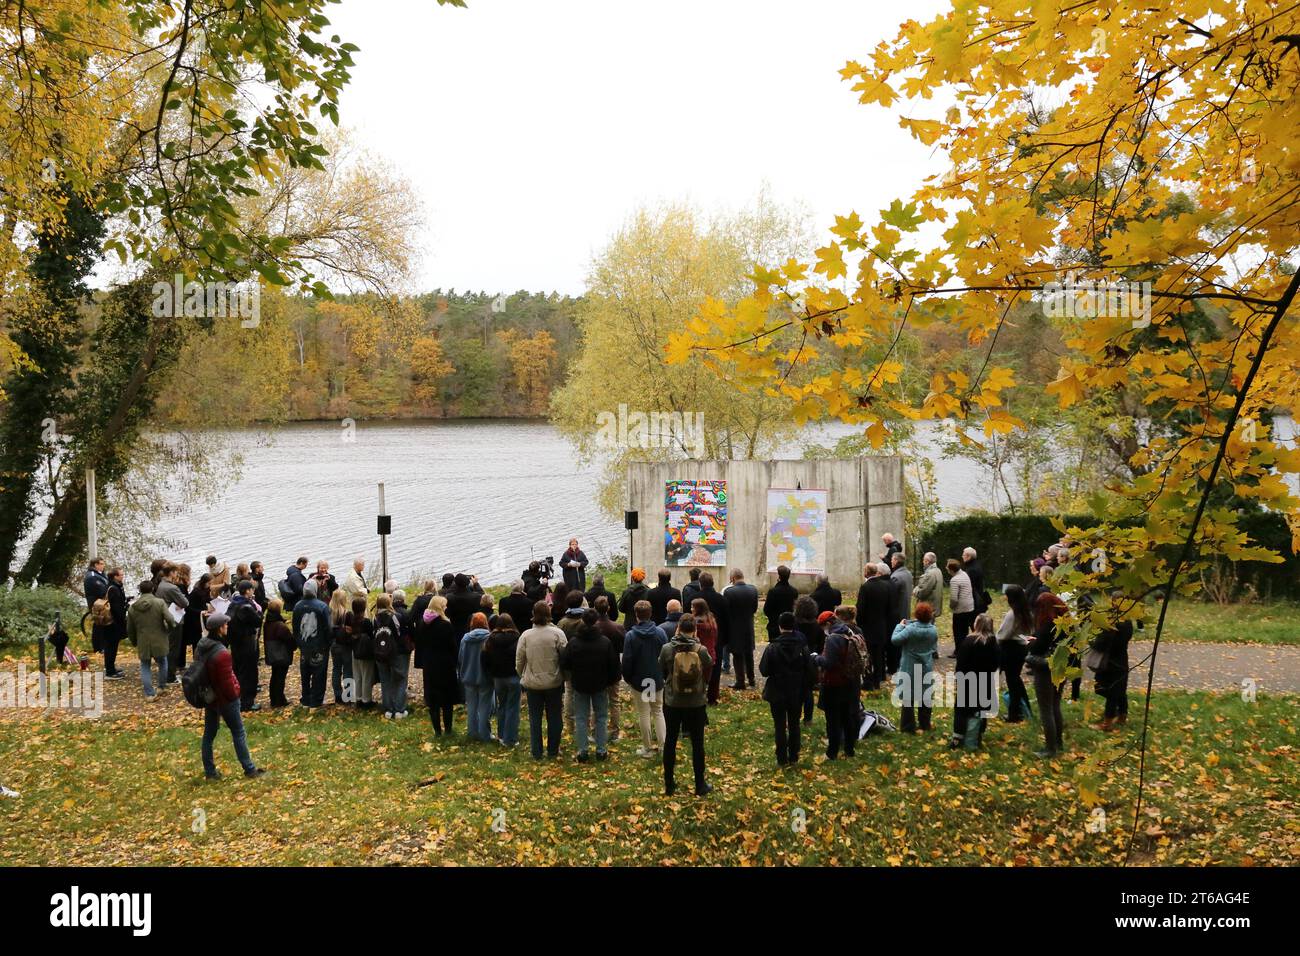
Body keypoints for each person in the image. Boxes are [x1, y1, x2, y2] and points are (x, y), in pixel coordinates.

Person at [195, 612, 264, 779]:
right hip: (226, 700)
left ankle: (210, 771)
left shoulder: (201, 646)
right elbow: (227, 684)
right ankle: (249, 769)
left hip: (210, 698)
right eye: (225, 624)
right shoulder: (222, 654)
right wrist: (236, 693)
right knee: (238, 731)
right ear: (219, 629)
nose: (227, 626)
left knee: (209, 734)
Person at [658, 615, 713, 796]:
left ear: (678, 628)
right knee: (698, 743)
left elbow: (661, 669)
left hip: (673, 701)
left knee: (671, 742)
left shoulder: (667, 649)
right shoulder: (701, 650)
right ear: (694, 630)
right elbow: (708, 666)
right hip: (696, 702)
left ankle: (669, 785)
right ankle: (699, 784)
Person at [560, 609, 619, 762]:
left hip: (580, 684)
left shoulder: (574, 642)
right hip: (600, 684)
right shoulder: (604, 642)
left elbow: (565, 662)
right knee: (600, 717)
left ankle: (582, 750)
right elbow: (613, 664)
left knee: (581, 717)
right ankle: (601, 750)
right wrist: (611, 681)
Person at [759, 611, 815, 766]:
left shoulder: (773, 647)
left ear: (779, 626)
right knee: (794, 723)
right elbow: (810, 669)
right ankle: (794, 755)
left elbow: (764, 670)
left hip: (777, 690)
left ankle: (781, 757)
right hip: (796, 690)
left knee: (779, 725)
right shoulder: (802, 647)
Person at [517, 601, 567, 760]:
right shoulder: (557, 634)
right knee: (554, 717)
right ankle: (553, 750)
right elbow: (565, 657)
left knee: (535, 718)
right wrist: (564, 675)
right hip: (554, 681)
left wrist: (522, 675)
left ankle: (536, 751)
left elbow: (519, 660)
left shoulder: (526, 635)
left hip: (533, 682)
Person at [1027, 569, 1070, 757]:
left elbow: (1036, 648)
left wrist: (1030, 642)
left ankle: (1050, 748)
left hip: (1045, 670)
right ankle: (1058, 742)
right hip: (1061, 668)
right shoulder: (1065, 624)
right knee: (1055, 706)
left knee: (1046, 709)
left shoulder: (1047, 627)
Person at [814, 607, 865, 759]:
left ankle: (832, 752)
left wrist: (815, 658)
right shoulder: (851, 632)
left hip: (835, 684)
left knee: (833, 720)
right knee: (848, 717)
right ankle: (850, 750)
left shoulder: (833, 638)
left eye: (823, 626)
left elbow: (828, 663)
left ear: (829, 623)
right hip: (851, 681)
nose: (823, 630)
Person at [622, 599, 668, 757]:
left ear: (636, 615)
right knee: (658, 711)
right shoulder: (660, 633)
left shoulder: (631, 636)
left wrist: (629, 678)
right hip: (656, 678)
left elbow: (627, 660)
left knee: (644, 713)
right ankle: (663, 747)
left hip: (639, 680)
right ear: (650, 613)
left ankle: (647, 747)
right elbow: (666, 655)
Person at [952, 612, 999, 750]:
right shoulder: (993, 643)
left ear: (976, 625)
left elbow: (961, 663)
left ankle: (958, 736)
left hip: (967, 682)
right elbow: (996, 664)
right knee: (980, 710)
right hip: (985, 682)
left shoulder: (968, 642)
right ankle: (977, 735)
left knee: (961, 711)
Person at [892, 602, 938, 734]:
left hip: (909, 667)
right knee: (925, 696)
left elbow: (895, 640)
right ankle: (924, 723)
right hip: (926, 667)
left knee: (908, 697)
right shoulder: (933, 630)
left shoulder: (910, 629)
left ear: (916, 615)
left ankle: (908, 726)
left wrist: (900, 626)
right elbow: (934, 648)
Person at [415, 595, 458, 736]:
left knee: (433, 700)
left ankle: (437, 731)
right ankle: (448, 729)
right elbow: (452, 647)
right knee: (446, 700)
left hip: (429, 665)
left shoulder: (422, 623)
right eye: (444, 606)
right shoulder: (446, 625)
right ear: (440, 607)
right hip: (444, 665)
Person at [127, 579, 171, 701]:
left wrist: (134, 641)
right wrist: (168, 630)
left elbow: (130, 628)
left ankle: (149, 694)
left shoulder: (132, 608)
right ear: (152, 589)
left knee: (145, 665)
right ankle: (161, 687)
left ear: (140, 591)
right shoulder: (160, 603)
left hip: (143, 640)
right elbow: (170, 619)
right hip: (159, 638)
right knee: (162, 662)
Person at [482, 612, 522, 746]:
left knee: (502, 706)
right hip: (513, 675)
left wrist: (490, 673)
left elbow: (485, 658)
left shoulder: (491, 639)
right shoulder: (517, 637)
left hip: (498, 677)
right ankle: (510, 738)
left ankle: (501, 734)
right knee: (513, 707)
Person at [997, 585, 1035, 723]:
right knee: (1015, 680)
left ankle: (1014, 713)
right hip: (1021, 649)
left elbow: (1003, 635)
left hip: (1009, 649)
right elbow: (1029, 634)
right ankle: (1021, 708)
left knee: (1012, 681)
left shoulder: (1012, 614)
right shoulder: (1027, 612)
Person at [292, 579, 332, 708]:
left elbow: (295, 626)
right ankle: (316, 700)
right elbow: (328, 627)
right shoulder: (322, 606)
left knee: (305, 672)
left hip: (304, 645)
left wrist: (299, 642)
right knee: (319, 673)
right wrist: (328, 643)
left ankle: (306, 698)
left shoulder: (297, 606)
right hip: (319, 645)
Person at [1091, 612, 1134, 731]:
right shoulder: (1128, 621)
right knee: (1120, 690)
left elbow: (1101, 643)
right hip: (1122, 660)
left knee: (1109, 691)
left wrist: (1092, 642)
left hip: (1109, 663)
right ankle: (1122, 715)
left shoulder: (1112, 623)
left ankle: (1107, 723)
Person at [591, 597, 625, 742]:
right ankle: (615, 730)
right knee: (614, 701)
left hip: (596, 669)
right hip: (613, 668)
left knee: (596, 701)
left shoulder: (591, 628)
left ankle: (595, 730)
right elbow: (623, 647)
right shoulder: (617, 628)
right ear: (609, 608)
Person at [227, 579, 264, 711]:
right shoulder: (247, 607)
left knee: (238, 671)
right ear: (248, 591)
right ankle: (247, 702)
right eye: (252, 589)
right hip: (247, 642)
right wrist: (258, 609)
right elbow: (258, 621)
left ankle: (237, 698)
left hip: (235, 643)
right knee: (249, 673)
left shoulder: (232, 605)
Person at [856, 563, 894, 688]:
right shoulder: (885, 586)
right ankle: (878, 679)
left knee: (868, 655)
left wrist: (859, 623)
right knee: (879, 654)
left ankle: (868, 681)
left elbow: (860, 609)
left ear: (866, 572)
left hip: (868, 626)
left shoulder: (865, 587)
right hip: (881, 625)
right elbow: (890, 607)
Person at [458, 612, 494, 741]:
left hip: (468, 675)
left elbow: (461, 658)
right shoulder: (489, 638)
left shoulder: (465, 638)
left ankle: (472, 733)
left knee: (472, 707)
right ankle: (485, 734)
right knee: (485, 707)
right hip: (484, 676)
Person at [374, 593, 410, 719]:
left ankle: (388, 709)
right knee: (400, 679)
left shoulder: (375, 617)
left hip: (380, 652)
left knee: (385, 681)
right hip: (395, 652)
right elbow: (399, 633)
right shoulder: (395, 616)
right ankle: (399, 709)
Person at [723, 568, 759, 690]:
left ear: (732, 579)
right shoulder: (753, 590)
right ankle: (752, 679)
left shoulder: (729, 592)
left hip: (734, 628)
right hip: (748, 626)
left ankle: (740, 681)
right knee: (749, 653)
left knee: (737, 655)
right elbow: (754, 609)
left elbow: (726, 611)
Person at [156, 562, 190, 683]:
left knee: (168, 646)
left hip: (166, 618)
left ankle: (166, 673)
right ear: (171, 573)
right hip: (174, 620)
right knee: (173, 648)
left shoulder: (161, 584)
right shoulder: (172, 588)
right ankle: (170, 676)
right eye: (175, 572)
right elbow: (185, 602)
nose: (177, 574)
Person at [793, 596, 822, 722]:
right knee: (808, 690)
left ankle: (796, 715)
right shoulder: (816, 625)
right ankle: (808, 718)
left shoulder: (795, 624)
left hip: (796, 658)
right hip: (811, 659)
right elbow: (821, 643)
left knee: (796, 690)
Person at [262, 598, 295, 708]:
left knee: (275, 677)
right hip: (281, 655)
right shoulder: (280, 626)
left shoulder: (268, 623)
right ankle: (278, 700)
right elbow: (289, 640)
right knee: (280, 678)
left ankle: (275, 699)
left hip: (272, 654)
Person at [96, 567, 128, 679]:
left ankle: (111, 667)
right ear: (115, 576)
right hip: (112, 623)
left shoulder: (110, 586)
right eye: (121, 575)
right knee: (111, 646)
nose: (122, 577)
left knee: (111, 645)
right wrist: (123, 620)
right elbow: (116, 608)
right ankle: (110, 671)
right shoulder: (114, 589)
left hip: (109, 622)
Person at [689, 598, 721, 705]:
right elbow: (715, 638)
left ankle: (698, 701)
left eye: (693, 607)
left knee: (697, 681)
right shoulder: (711, 620)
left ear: (698, 608)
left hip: (697, 654)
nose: (691, 609)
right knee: (706, 680)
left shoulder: (695, 623)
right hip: (710, 653)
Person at [348, 595, 377, 710]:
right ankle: (366, 700)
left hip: (354, 651)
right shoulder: (366, 622)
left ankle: (358, 698)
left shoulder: (350, 620)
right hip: (365, 652)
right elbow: (372, 635)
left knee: (357, 675)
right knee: (367, 676)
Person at [888, 553, 914, 670]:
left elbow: (891, 596)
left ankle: (896, 662)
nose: (891, 561)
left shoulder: (896, 576)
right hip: (905, 609)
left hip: (897, 611)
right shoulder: (907, 573)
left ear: (897, 561)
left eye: (893, 560)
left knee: (897, 637)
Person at [327, 588, 353, 705]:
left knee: (336, 669)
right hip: (345, 644)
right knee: (348, 670)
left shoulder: (329, 612)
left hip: (333, 644)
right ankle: (348, 695)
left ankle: (337, 695)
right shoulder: (346, 613)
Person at [947, 558, 975, 658]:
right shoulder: (964, 574)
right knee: (964, 631)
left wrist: (951, 607)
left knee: (958, 632)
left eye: (947, 567)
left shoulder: (954, 580)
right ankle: (965, 650)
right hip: (969, 608)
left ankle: (959, 652)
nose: (946, 569)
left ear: (951, 569)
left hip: (960, 610)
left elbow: (954, 599)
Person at [762, 565, 798, 642]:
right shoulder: (794, 591)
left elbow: (766, 610)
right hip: (790, 625)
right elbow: (794, 608)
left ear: (779, 577)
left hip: (775, 626)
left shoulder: (773, 592)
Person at [446, 573, 483, 641]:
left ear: (455, 584)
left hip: (456, 629)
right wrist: (476, 584)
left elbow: (447, 612)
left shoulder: (449, 597)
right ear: (467, 583)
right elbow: (482, 595)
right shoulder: (476, 597)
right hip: (471, 629)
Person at [912, 552, 944, 621]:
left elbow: (922, 593)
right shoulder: (938, 571)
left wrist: (915, 590)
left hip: (927, 609)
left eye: (923, 560)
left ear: (927, 561)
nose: (922, 562)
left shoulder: (930, 574)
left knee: (924, 629)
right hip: (932, 607)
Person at [963, 547, 990, 614]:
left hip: (974, 602)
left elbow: (970, 587)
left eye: (963, 555)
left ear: (968, 556)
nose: (962, 556)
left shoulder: (972, 569)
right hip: (977, 599)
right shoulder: (976, 565)